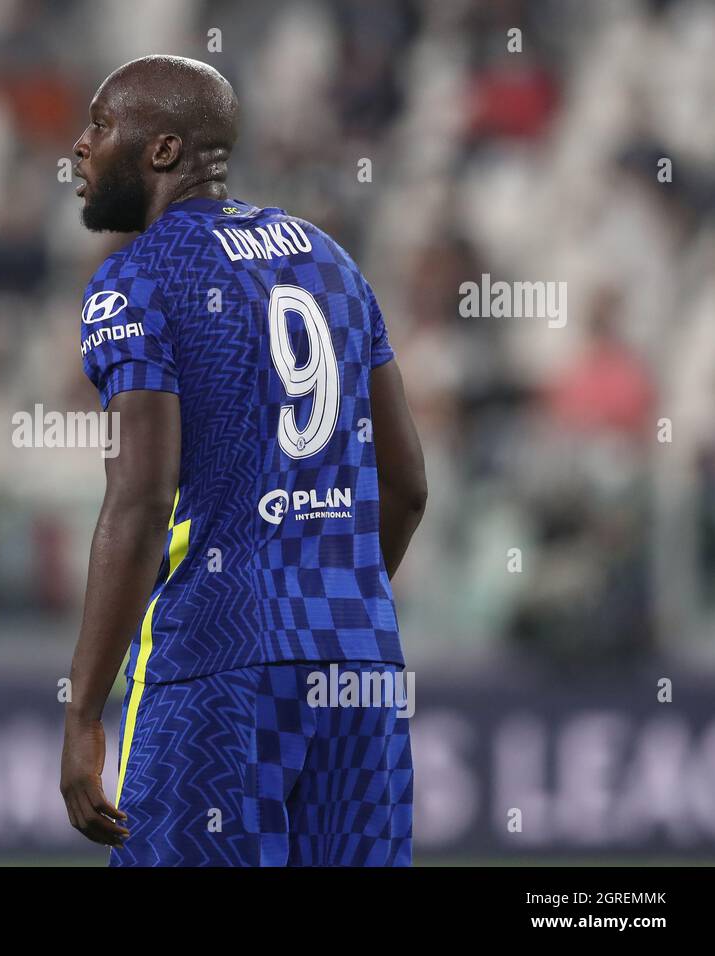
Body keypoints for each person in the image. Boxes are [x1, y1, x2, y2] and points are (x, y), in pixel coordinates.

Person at [60, 55, 427, 866]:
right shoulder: (330, 260)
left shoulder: (135, 280)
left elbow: (141, 500)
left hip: (217, 663)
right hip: (360, 665)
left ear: (163, 150)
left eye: (102, 124)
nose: (80, 146)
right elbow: (407, 487)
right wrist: (330, 606)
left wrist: (83, 712)